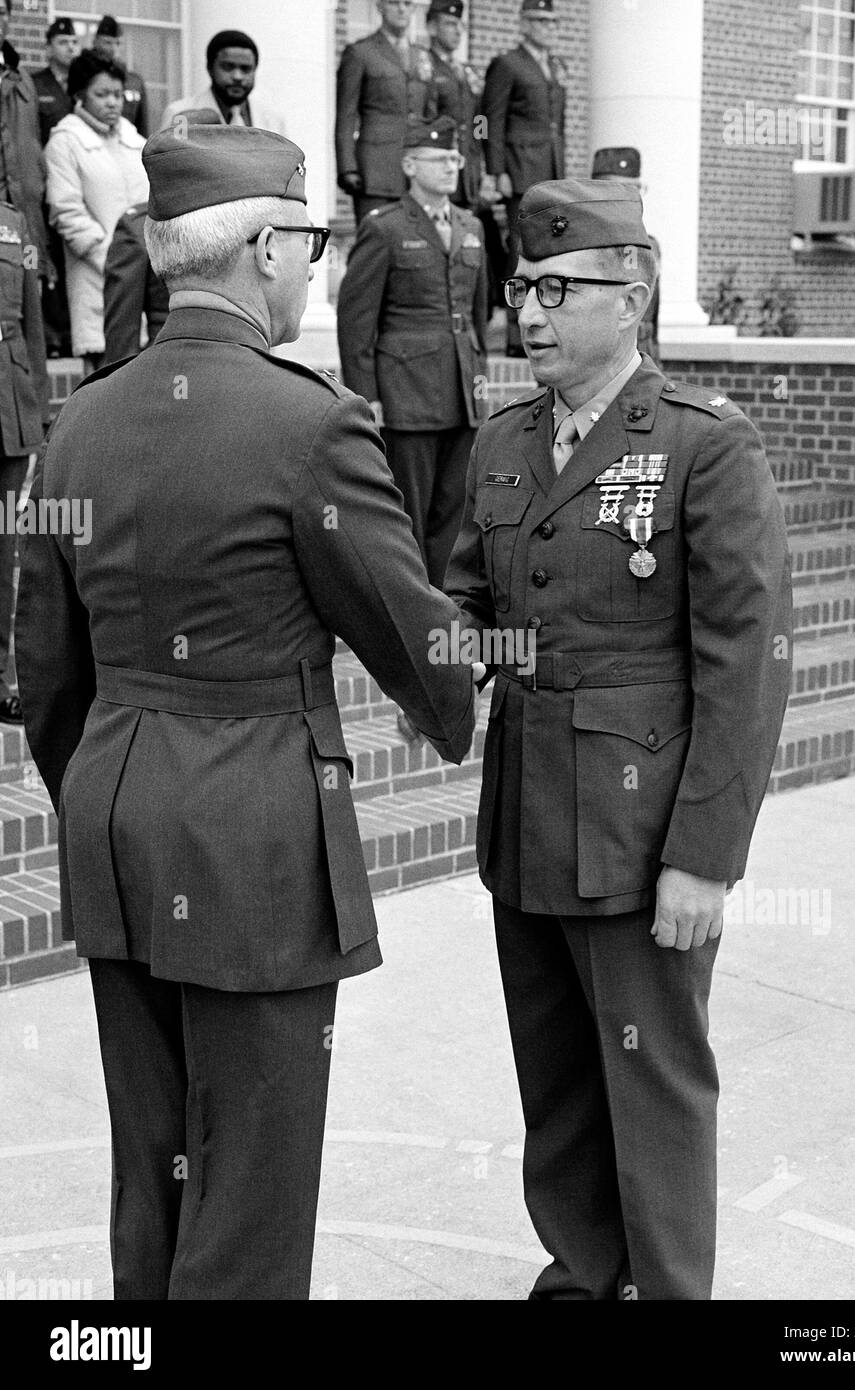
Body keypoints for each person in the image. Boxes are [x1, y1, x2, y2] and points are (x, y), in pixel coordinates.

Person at [16, 122, 480, 1301]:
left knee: (155, 1168)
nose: (313, 268)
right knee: (255, 1190)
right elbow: (411, 634)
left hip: (117, 816)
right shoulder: (308, 422)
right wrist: (470, 684)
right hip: (254, 837)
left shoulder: (80, 422)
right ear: (263, 247)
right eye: (308, 243)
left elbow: (44, 669)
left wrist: (107, 777)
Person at [445, 178, 793, 1300]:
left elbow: (747, 664)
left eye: (555, 289)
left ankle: (667, 1289)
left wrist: (704, 853)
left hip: (642, 836)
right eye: (518, 289)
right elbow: (466, 607)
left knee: (653, 1087)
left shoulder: (702, 446)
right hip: (528, 820)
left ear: (630, 292)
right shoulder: (500, 441)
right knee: (556, 1083)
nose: (528, 315)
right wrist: (422, 659)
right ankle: (582, 1274)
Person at [337, 115, 488, 593]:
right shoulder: (383, 228)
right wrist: (368, 397)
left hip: (462, 390)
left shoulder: (471, 225)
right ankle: (408, 605)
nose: (451, 167)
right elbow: (357, 322)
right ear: (408, 164)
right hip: (407, 395)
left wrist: (478, 378)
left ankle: (447, 606)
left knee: (454, 511)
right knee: (408, 513)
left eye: (456, 158)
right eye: (439, 158)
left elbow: (477, 316)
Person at [45, 50, 148, 374]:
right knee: (104, 377)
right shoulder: (65, 141)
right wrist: (115, 259)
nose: (112, 103)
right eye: (101, 94)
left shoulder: (134, 138)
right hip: (97, 276)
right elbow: (66, 212)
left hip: (145, 276)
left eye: (117, 94)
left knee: (139, 374)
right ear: (79, 95)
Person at [103, 110, 222, 364]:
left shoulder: (245, 221)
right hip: (167, 368)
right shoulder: (138, 228)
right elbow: (122, 338)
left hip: (235, 369)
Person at [481, 0, 566, 353]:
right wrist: (495, 169)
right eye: (540, 21)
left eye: (552, 21)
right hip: (518, 170)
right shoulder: (507, 64)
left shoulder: (555, 67)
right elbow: (488, 120)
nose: (548, 27)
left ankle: (540, 324)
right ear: (524, 24)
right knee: (519, 249)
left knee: (544, 248)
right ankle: (517, 335)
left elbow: (556, 125)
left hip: (548, 169)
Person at [0, 200, 48, 725]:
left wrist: (31, 402)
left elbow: (32, 318)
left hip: (6, 398)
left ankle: (0, 676)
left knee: (3, 547)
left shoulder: (12, 223)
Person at [335, 0, 436, 226]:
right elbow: (346, 116)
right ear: (379, 7)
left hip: (416, 171)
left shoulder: (422, 56)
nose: (401, 9)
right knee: (375, 243)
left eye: (407, 3)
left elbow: (430, 116)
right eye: (393, 2)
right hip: (375, 171)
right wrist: (347, 168)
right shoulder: (360, 52)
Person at [32, 17, 79, 356]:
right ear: (48, 47)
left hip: (73, 181)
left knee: (70, 259)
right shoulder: (35, 84)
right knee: (46, 260)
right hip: (43, 184)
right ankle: (51, 335)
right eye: (63, 42)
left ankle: (71, 330)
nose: (71, 48)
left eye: (74, 42)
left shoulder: (79, 85)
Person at [591, 146, 661, 366]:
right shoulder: (578, 245)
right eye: (623, 189)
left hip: (639, 365)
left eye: (637, 189)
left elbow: (651, 321)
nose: (633, 198)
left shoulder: (650, 246)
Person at [0, 0, 50, 288]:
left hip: (28, 229)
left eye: (2, 13)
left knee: (32, 306)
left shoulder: (24, 81)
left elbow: (33, 150)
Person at [159, 30, 286, 135]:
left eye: (245, 68)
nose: (237, 76)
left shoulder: (273, 120)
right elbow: (167, 162)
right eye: (228, 67)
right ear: (210, 68)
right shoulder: (180, 113)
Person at [425, 0, 483, 210]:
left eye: (461, 25)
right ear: (432, 27)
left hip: (468, 171)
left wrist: (479, 154)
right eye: (450, 24)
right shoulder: (425, 67)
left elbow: (479, 118)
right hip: (439, 167)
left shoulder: (469, 73)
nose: (458, 31)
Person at [92, 16, 148, 137]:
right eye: (107, 42)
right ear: (96, 42)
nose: (113, 49)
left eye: (118, 43)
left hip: (127, 144)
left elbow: (142, 126)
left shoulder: (134, 82)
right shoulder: (86, 78)